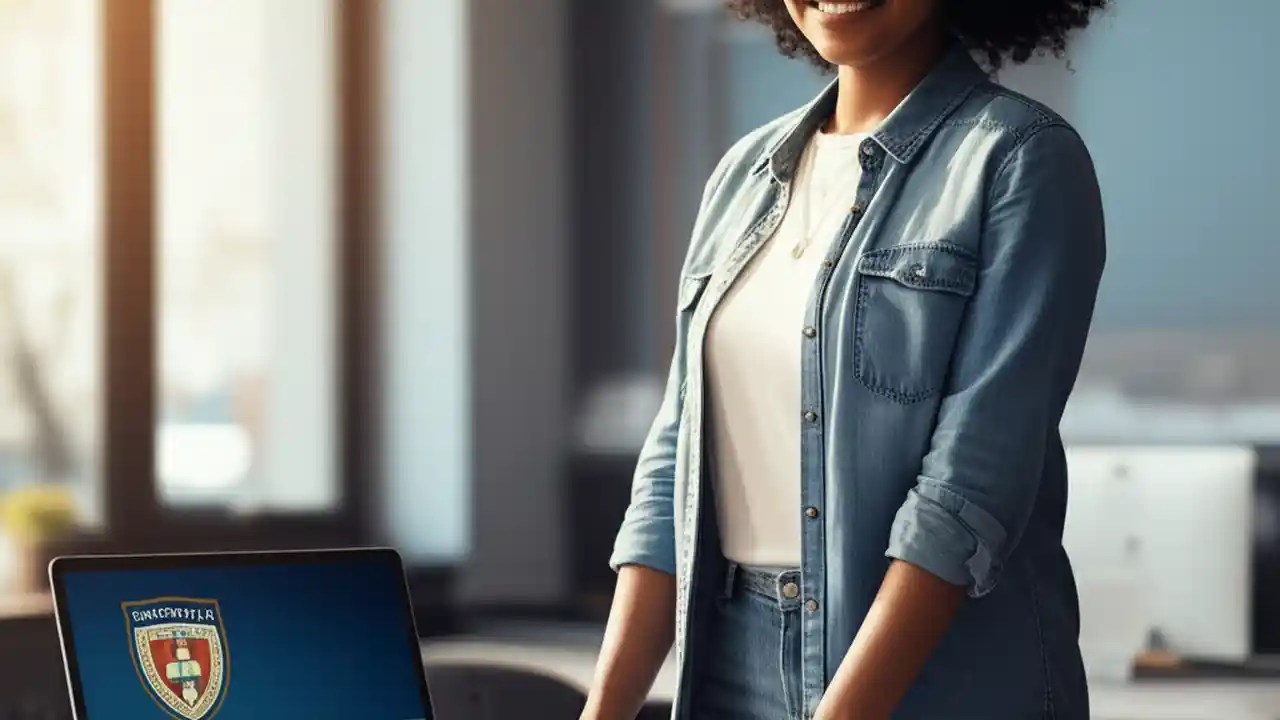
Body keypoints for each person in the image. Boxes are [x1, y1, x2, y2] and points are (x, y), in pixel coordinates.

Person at [583, 0, 1109, 718]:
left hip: (933, 678)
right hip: (729, 662)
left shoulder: (1021, 158)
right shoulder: (743, 174)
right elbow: (673, 468)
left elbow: (967, 496)